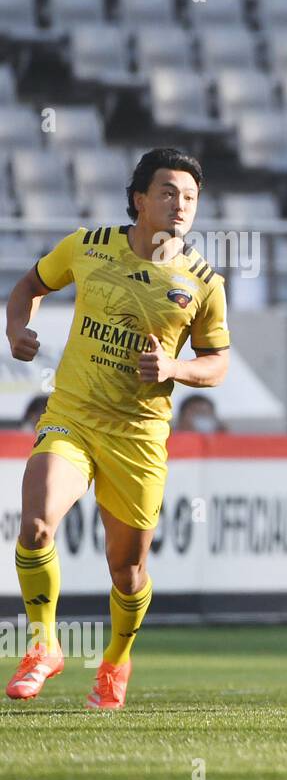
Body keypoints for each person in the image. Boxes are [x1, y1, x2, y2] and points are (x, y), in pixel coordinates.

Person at [5, 148, 230, 709]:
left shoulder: (202, 283)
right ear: (139, 200)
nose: (180, 205)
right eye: (168, 192)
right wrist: (16, 330)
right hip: (73, 417)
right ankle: (42, 646)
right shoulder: (86, 246)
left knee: (126, 570)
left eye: (190, 197)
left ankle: (116, 661)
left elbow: (217, 362)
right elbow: (28, 287)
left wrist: (175, 367)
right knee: (35, 524)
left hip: (139, 436)